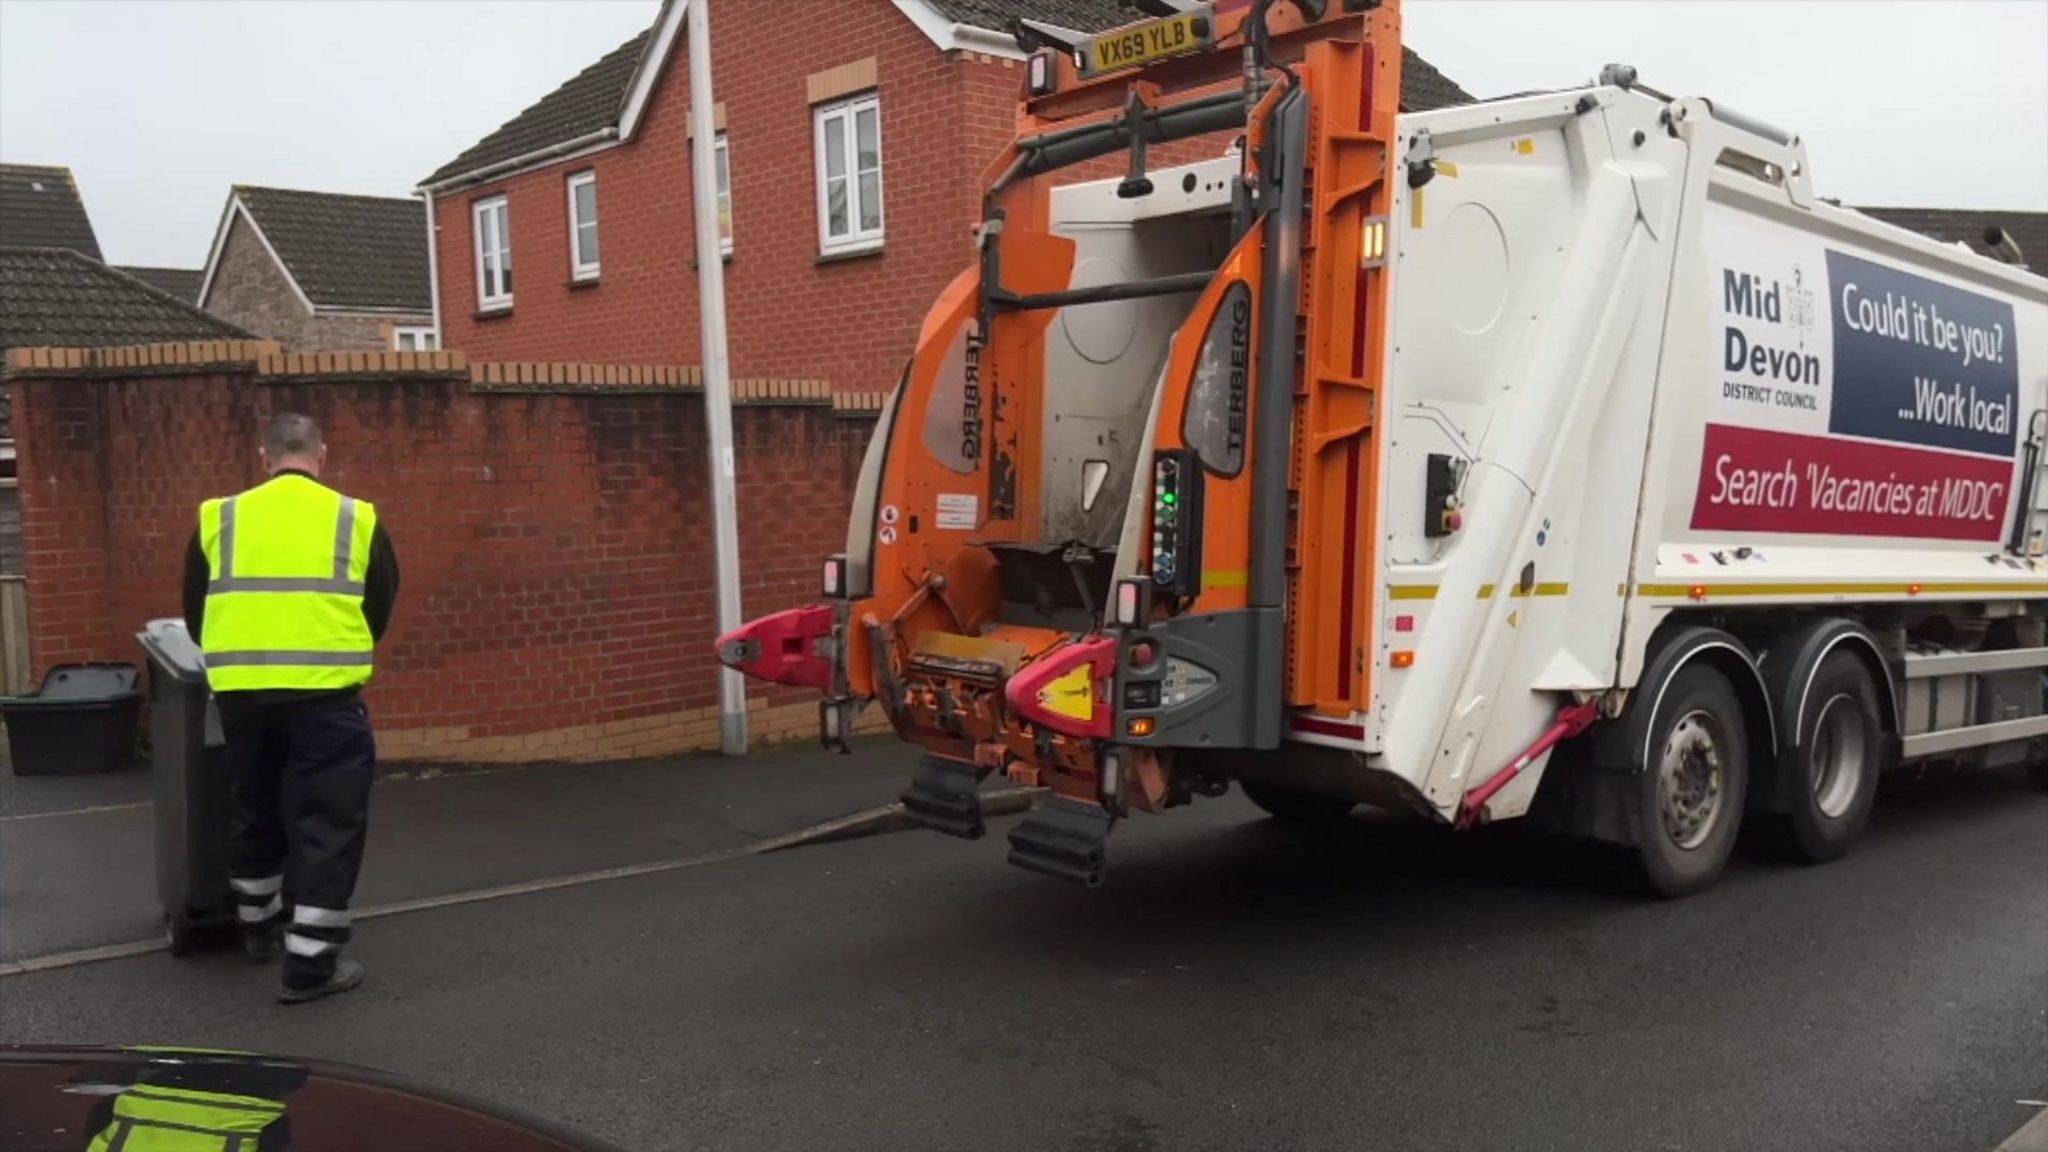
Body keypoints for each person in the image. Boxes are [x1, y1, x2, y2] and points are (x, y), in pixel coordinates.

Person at [182, 412, 399, 1004]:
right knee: (327, 823)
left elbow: (198, 614)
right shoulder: (355, 518)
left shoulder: (219, 517)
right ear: (322, 456)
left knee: (253, 808)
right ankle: (310, 965)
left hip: (243, 697)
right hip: (325, 697)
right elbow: (377, 608)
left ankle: (257, 928)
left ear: (264, 457)